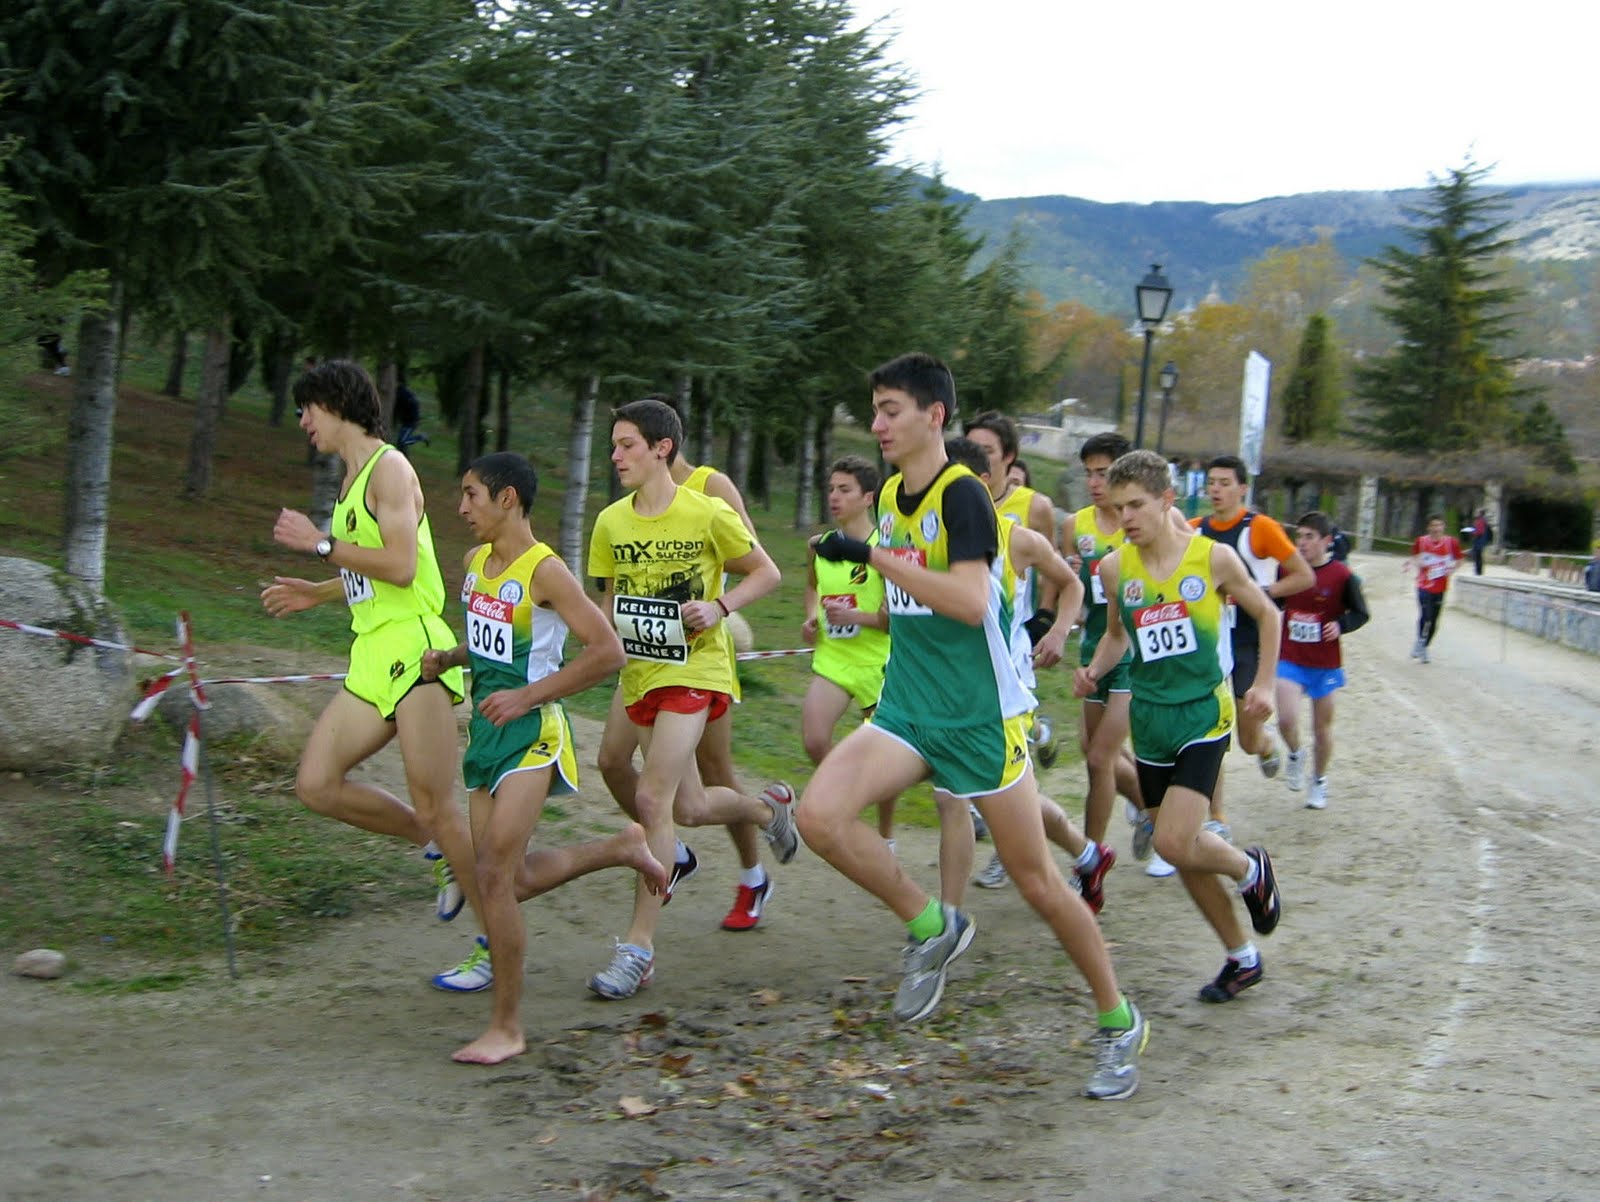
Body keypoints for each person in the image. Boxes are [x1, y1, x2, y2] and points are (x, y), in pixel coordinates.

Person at [797, 352, 1147, 1102]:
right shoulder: (892, 495)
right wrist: (865, 592)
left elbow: (962, 599)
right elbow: (917, 604)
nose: (880, 423)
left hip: (981, 722)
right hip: (908, 710)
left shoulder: (963, 498)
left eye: (892, 408)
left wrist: (872, 559)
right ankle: (932, 923)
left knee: (1039, 884)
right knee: (818, 817)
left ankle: (1119, 1020)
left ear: (934, 416)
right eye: (875, 409)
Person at [420, 453, 669, 1063]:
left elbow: (607, 652)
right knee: (504, 879)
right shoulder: (475, 564)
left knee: (497, 879)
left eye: (472, 494)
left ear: (508, 499)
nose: (461, 508)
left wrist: (528, 695)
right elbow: (490, 644)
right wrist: (453, 659)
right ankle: (618, 848)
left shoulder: (548, 572)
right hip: (484, 737)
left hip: (533, 733)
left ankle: (507, 1027)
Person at [261, 360, 481, 965]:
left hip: (416, 654)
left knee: (437, 800)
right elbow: (372, 571)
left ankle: (492, 940)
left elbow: (405, 568)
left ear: (336, 405)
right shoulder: (351, 478)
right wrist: (320, 590)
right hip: (372, 655)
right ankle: (435, 848)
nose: (303, 421)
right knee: (316, 784)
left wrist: (320, 545)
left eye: (307, 408)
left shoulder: (390, 467)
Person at [586, 398, 794, 998]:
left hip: (696, 668)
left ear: (662, 449)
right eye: (614, 444)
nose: (616, 455)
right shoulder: (610, 522)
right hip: (641, 670)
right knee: (689, 805)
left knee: (654, 797)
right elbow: (610, 599)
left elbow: (768, 572)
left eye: (627, 444)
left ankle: (638, 948)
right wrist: (605, 643)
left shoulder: (706, 511)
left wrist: (721, 606)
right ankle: (767, 811)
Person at [1075, 449, 1284, 1005]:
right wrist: (1094, 669)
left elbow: (1268, 614)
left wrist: (1262, 684)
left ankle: (1248, 868)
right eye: (1118, 509)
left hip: (1201, 714)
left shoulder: (1212, 559)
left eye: (1137, 505)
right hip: (1150, 721)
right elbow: (1118, 635)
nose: (1126, 519)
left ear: (1168, 501)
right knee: (1186, 850)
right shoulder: (1116, 568)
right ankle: (1242, 958)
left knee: (1172, 841)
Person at [939, 437, 1109, 908]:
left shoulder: (1018, 539)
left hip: (1004, 690)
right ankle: (1085, 854)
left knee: (987, 801)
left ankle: (1072, 862)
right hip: (949, 690)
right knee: (960, 799)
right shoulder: (933, 536)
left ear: (983, 483)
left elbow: (1072, 585)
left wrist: (1055, 633)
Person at [1061, 432, 1193, 880]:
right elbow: (1074, 597)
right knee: (1094, 752)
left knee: (1100, 759)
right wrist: (1070, 594)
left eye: (1104, 473)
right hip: (1098, 645)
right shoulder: (1075, 527)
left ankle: (1091, 860)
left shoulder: (1163, 524)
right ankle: (1148, 809)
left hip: (1137, 656)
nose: (1096, 483)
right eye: (1090, 474)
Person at [1194, 456, 1314, 831]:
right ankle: (1217, 817)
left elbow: (1304, 576)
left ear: (1242, 489)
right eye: (1211, 482)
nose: (1216, 489)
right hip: (1210, 642)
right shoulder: (1194, 529)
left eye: (1225, 483)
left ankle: (1266, 746)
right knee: (1210, 731)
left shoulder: (1260, 528)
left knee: (1247, 739)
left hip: (1249, 640)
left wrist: (1261, 593)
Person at [801, 456, 892, 845]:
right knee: (814, 740)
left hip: (878, 663)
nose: (834, 497)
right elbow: (811, 587)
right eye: (831, 489)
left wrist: (855, 614)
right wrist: (811, 617)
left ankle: (886, 837)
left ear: (868, 497)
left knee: (887, 758)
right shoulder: (819, 545)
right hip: (834, 660)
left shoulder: (884, 549)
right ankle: (848, 800)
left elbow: (895, 620)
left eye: (844, 490)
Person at [964, 410, 1060, 767]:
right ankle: (1038, 730)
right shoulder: (954, 498)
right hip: (968, 627)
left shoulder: (1036, 507)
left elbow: (1053, 568)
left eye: (987, 450)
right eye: (970, 447)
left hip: (1014, 629)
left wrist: (1046, 617)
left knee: (1005, 717)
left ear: (1008, 456)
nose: (976, 456)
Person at [1275, 512, 1370, 811]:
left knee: (1322, 728)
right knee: (1286, 719)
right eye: (1299, 536)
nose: (1301, 543)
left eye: (1309, 537)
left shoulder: (1342, 576)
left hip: (1324, 663)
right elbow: (1272, 603)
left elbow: (1361, 612)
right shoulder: (1285, 570)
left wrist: (1341, 625)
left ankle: (1318, 779)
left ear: (1327, 541)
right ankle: (1294, 753)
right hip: (1290, 656)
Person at [1404, 515, 1464, 663]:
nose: (1436, 528)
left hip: (1441, 586)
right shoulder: (1421, 541)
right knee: (1426, 615)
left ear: (1443, 527)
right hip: (1424, 584)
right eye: (1434, 525)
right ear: (1429, 528)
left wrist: (1451, 570)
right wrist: (1421, 564)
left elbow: (1460, 560)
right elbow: (1414, 557)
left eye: (1439, 525)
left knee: (1435, 620)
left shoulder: (1451, 543)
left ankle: (1424, 646)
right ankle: (1420, 641)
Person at [1470, 509, 1493, 575]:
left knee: (1477, 556)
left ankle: (1478, 571)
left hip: (1478, 541)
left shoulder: (1480, 521)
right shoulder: (1484, 521)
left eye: (1477, 512)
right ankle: (1479, 571)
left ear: (1480, 513)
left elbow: (1478, 532)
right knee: (1479, 556)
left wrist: (1473, 532)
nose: (1476, 513)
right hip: (1482, 541)